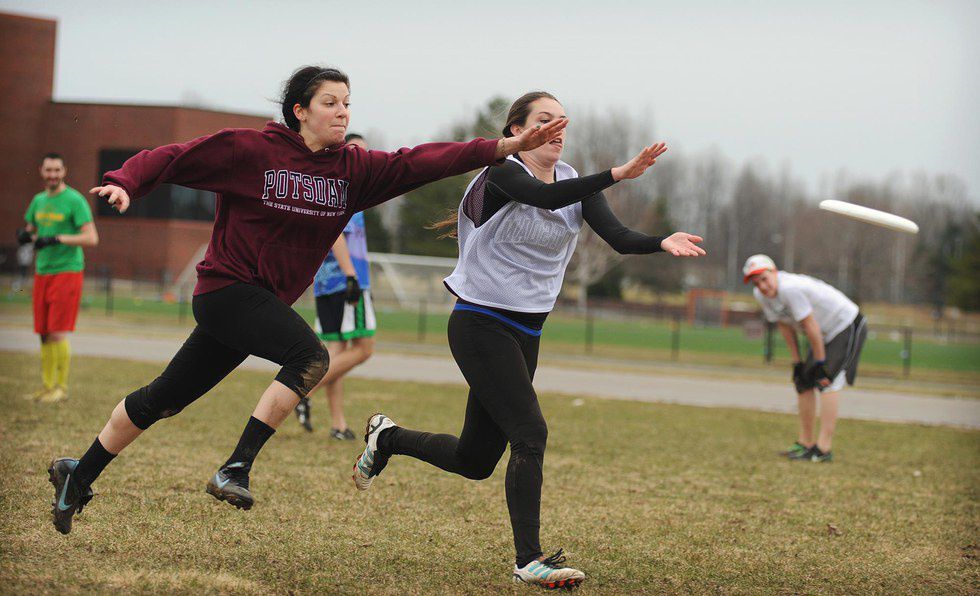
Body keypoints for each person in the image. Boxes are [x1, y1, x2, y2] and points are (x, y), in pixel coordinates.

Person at [45, 66, 567, 535]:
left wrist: (504, 147)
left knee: (165, 398)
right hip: (226, 290)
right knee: (310, 355)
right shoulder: (250, 151)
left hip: (262, 303)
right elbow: (174, 157)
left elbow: (422, 161)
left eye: (347, 103)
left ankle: (79, 473)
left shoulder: (354, 172)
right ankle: (236, 467)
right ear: (300, 110)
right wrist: (125, 183)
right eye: (330, 103)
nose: (342, 112)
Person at [351, 91, 705, 589]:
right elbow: (542, 198)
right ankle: (529, 560)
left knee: (475, 461)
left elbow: (619, 237)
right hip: (478, 323)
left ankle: (387, 437)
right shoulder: (503, 172)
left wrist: (659, 242)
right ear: (518, 130)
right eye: (544, 120)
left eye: (563, 121)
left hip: (526, 332)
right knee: (530, 433)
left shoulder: (573, 181)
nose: (557, 128)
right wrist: (618, 174)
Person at [742, 254, 867, 463]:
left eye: (764, 278)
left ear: (774, 272)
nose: (762, 286)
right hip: (822, 333)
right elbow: (784, 325)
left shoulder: (790, 288)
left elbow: (810, 326)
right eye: (756, 282)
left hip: (846, 324)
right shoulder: (761, 295)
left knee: (826, 380)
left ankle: (823, 449)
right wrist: (797, 362)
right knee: (803, 381)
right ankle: (805, 443)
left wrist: (819, 363)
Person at [295, 133, 377, 438]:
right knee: (364, 349)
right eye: (356, 152)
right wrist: (352, 276)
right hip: (346, 282)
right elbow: (337, 234)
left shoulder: (336, 188)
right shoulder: (345, 190)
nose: (363, 159)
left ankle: (338, 424)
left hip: (326, 282)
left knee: (336, 352)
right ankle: (301, 392)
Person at [17, 153, 99, 403]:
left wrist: (58, 238)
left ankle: (60, 389)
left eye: (57, 170)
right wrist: (25, 234)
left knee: (57, 331)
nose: (52, 175)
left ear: (64, 171)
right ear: (41, 171)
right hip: (43, 271)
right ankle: (46, 385)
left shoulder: (74, 200)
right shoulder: (38, 201)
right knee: (42, 331)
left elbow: (91, 238)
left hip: (67, 271)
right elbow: (31, 229)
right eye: (48, 170)